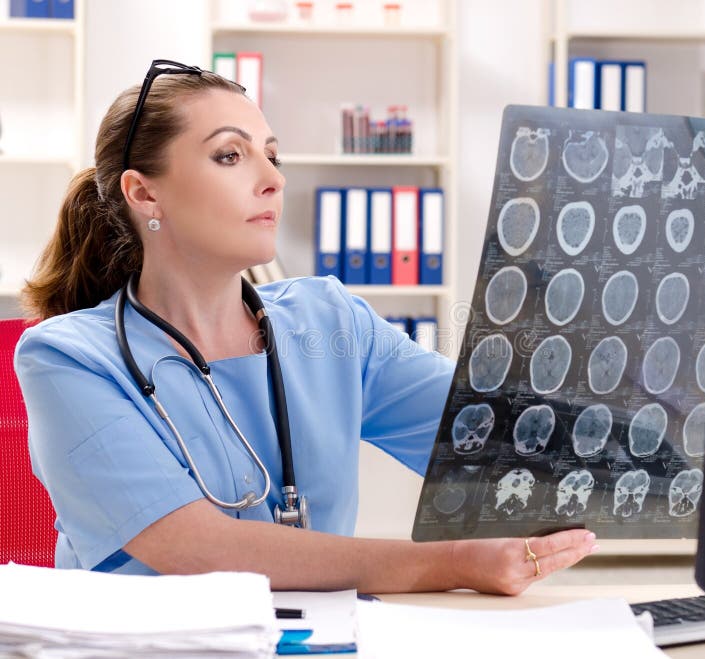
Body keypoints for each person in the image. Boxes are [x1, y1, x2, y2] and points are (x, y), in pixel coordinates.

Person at [14, 59, 598, 595]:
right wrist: (452, 563)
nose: (273, 179)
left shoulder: (329, 322)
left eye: (273, 156)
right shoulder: (65, 357)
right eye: (230, 155)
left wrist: (647, 418)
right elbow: (192, 546)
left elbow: (500, 437)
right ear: (144, 192)